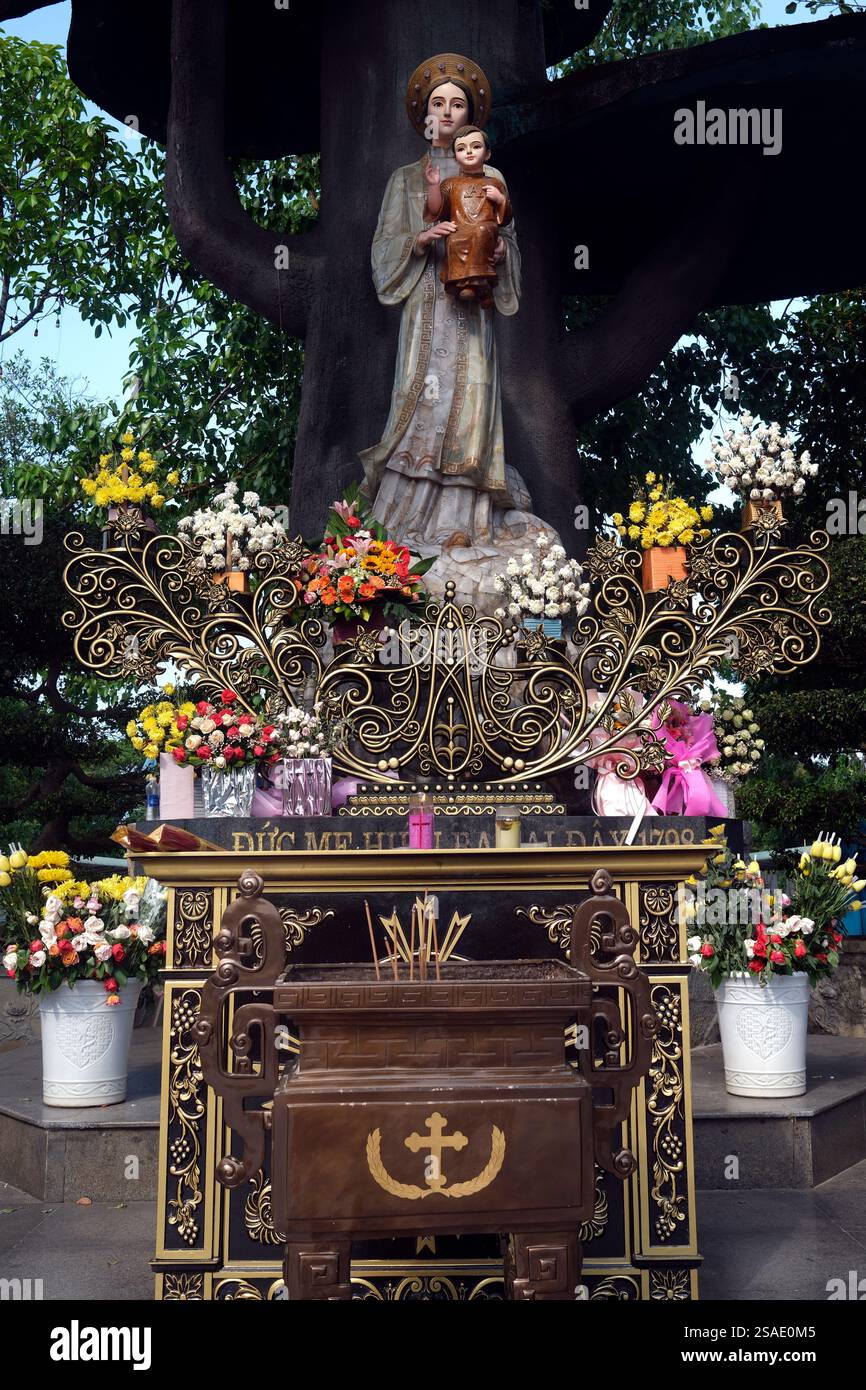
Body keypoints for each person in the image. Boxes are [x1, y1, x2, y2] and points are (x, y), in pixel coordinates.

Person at [423, 125, 512, 310]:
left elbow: (505, 218)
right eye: (462, 149)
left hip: (485, 227)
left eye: (476, 146)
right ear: (456, 158)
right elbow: (436, 209)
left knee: (481, 232)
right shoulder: (451, 184)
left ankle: (479, 284)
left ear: (487, 154)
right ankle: (471, 285)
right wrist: (433, 185)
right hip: (460, 228)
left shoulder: (494, 183)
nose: (469, 152)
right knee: (454, 239)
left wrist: (500, 199)